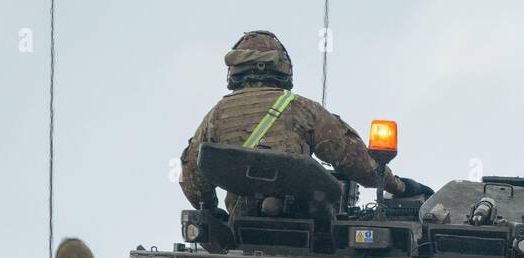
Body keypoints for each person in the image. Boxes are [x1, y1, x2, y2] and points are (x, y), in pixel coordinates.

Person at [179, 30, 431, 215]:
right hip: (305, 234)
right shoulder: (300, 109)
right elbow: (359, 164)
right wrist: (397, 186)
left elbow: (194, 182)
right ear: (282, 67)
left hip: (243, 238)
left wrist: (214, 216)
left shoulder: (216, 116)